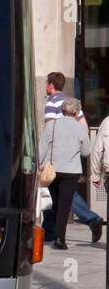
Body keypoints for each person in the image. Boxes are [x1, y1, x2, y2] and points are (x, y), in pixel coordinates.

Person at [41, 98, 91, 249]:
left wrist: (40, 166)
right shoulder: (80, 128)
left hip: (53, 170)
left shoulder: (52, 125)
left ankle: (51, 233)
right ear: (76, 113)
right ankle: (59, 238)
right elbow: (86, 151)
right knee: (65, 205)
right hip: (71, 171)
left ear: (62, 111)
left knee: (55, 203)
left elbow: (42, 146)